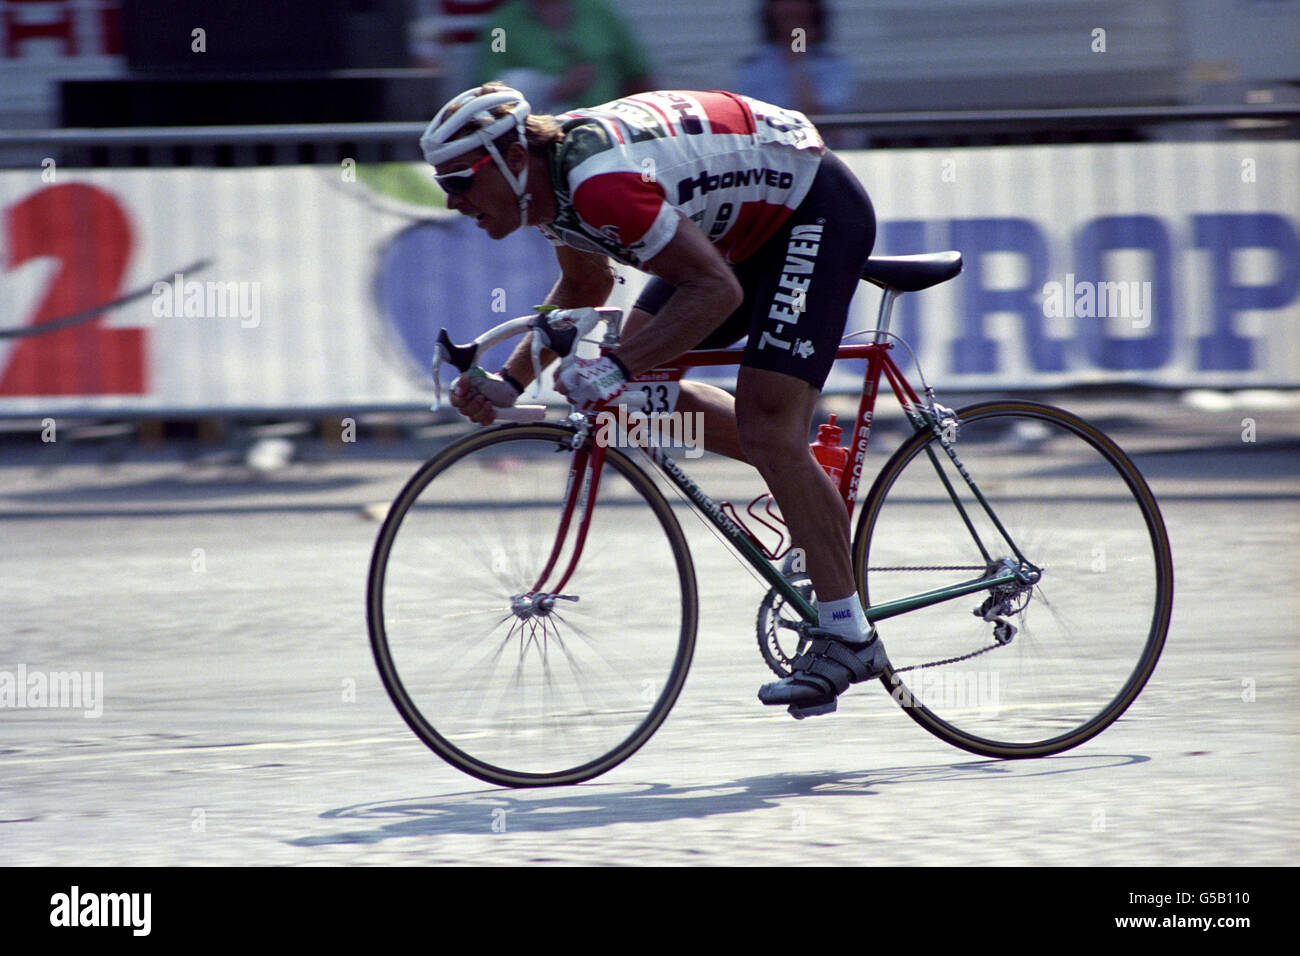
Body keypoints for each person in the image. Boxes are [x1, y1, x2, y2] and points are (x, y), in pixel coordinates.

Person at [421, 82, 885, 718]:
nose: (452, 202)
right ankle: (808, 481)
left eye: (460, 182)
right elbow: (587, 281)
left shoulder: (596, 184)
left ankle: (849, 635)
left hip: (811, 208)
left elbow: (715, 292)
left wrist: (614, 365)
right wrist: (510, 381)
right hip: (738, 226)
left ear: (509, 161)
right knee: (637, 395)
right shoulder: (551, 188)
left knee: (762, 422)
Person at [473, 0, 652, 114]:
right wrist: (552, 91)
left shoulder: (599, 12)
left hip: (609, 129)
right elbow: (492, 90)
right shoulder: (502, 26)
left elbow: (637, 75)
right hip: (542, 139)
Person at [735, 0, 852, 120]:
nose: (792, 9)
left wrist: (798, 59)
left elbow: (816, 114)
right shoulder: (754, 66)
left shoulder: (833, 63)